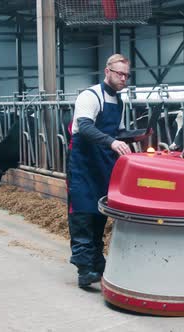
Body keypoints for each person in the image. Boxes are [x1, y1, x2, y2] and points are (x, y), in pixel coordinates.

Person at [67, 54, 132, 288]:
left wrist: (141, 136)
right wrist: (112, 143)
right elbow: (84, 126)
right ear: (107, 71)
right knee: (82, 212)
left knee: (99, 212)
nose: (123, 78)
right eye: (119, 73)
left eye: (126, 75)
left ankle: (96, 258)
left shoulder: (120, 102)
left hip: (104, 164)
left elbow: (120, 131)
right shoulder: (91, 96)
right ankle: (84, 268)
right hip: (83, 163)